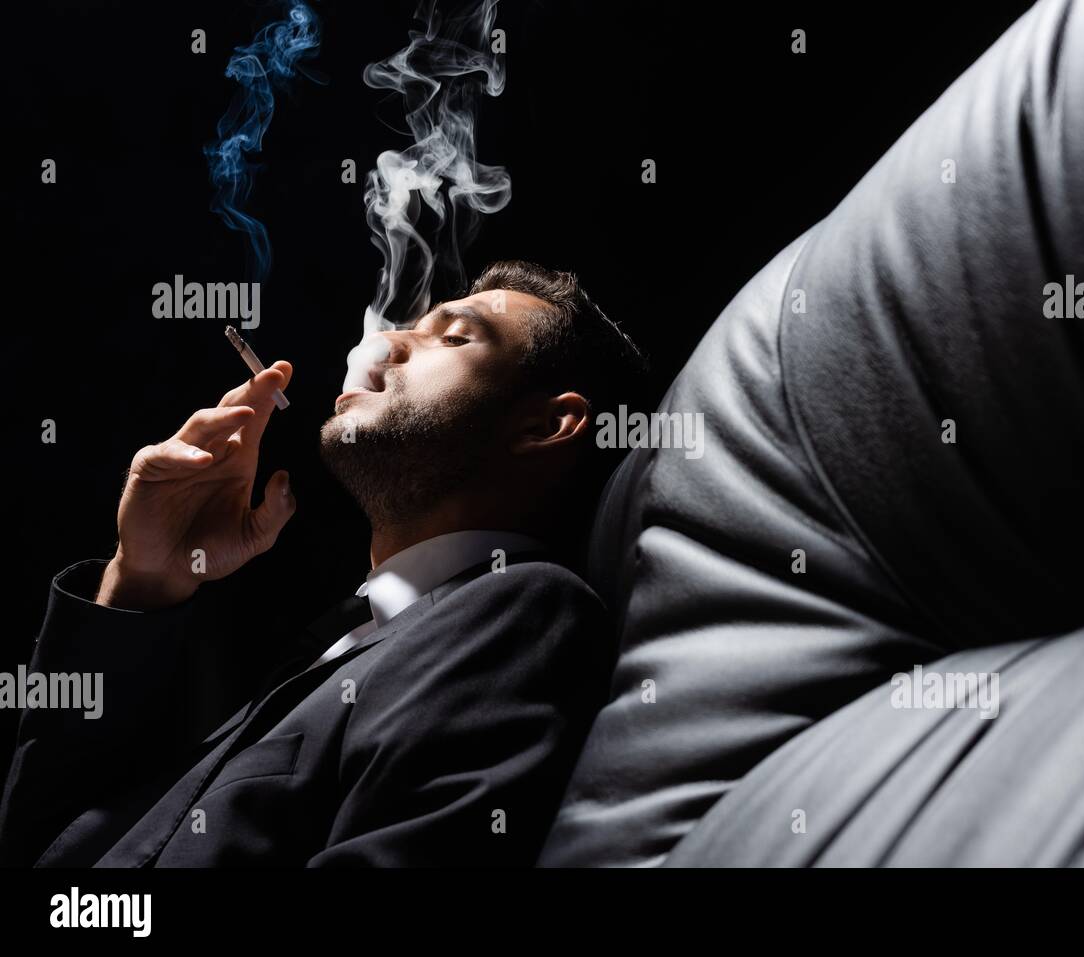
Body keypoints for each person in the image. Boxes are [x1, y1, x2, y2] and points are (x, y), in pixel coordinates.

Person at [0, 260, 647, 867]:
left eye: (454, 337)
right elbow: (47, 846)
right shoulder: (344, 637)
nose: (384, 344)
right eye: (406, 327)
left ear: (547, 423)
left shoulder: (523, 614)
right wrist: (140, 579)